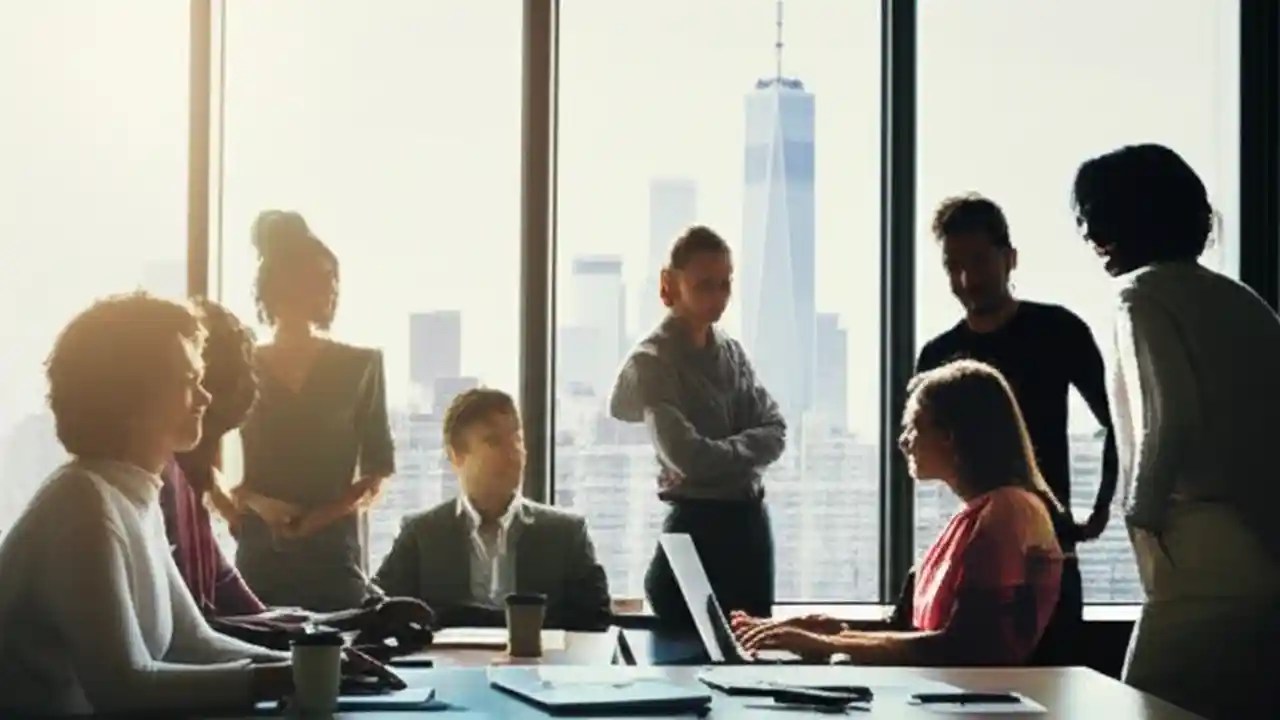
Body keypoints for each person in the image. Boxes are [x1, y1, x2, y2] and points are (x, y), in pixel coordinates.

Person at [0, 293, 292, 716]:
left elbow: (191, 641)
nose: (206, 398)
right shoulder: (83, 506)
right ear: (133, 398)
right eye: (190, 382)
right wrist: (284, 676)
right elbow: (125, 688)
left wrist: (307, 663)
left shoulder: (132, 496)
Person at [1071, 143, 1280, 719]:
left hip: (1195, 543)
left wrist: (1142, 514)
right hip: (1262, 542)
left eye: (1093, 212)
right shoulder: (1242, 301)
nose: (1087, 230)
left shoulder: (1139, 296)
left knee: (1152, 702)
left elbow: (1171, 414)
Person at [732, 360, 1063, 666]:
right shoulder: (982, 512)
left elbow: (963, 648)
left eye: (914, 426)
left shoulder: (1007, 511)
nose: (904, 441)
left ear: (949, 435)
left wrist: (826, 643)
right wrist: (817, 631)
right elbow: (910, 630)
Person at [915, 193, 1117, 662]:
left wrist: (1100, 511)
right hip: (980, 552)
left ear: (1010, 258)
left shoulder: (1059, 330)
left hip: (1050, 547)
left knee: (1055, 687)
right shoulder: (938, 356)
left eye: (980, 261)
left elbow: (1117, 423)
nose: (967, 278)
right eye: (953, 265)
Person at [609, 226, 786, 626]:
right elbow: (688, 457)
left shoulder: (732, 352)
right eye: (705, 285)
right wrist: (744, 453)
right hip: (695, 534)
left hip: (749, 533)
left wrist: (720, 453)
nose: (718, 297)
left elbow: (776, 429)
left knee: (752, 664)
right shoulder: (652, 362)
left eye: (725, 284)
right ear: (670, 285)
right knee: (683, 663)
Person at [232, 210, 396, 612]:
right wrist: (259, 505)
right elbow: (211, 470)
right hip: (259, 555)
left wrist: (318, 518)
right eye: (321, 277)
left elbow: (377, 470)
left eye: (334, 278)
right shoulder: (240, 364)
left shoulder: (362, 365)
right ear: (284, 283)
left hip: (332, 556)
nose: (333, 288)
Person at [373, 388, 611, 630]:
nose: (513, 453)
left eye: (517, 439)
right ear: (456, 456)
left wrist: (455, 618)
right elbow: (381, 613)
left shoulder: (566, 534)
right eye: (494, 441)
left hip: (538, 665)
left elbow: (596, 619)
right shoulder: (420, 535)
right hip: (448, 667)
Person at [162, 297, 268, 617]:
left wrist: (345, 626)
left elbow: (239, 605)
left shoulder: (188, 486)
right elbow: (195, 635)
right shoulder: (160, 487)